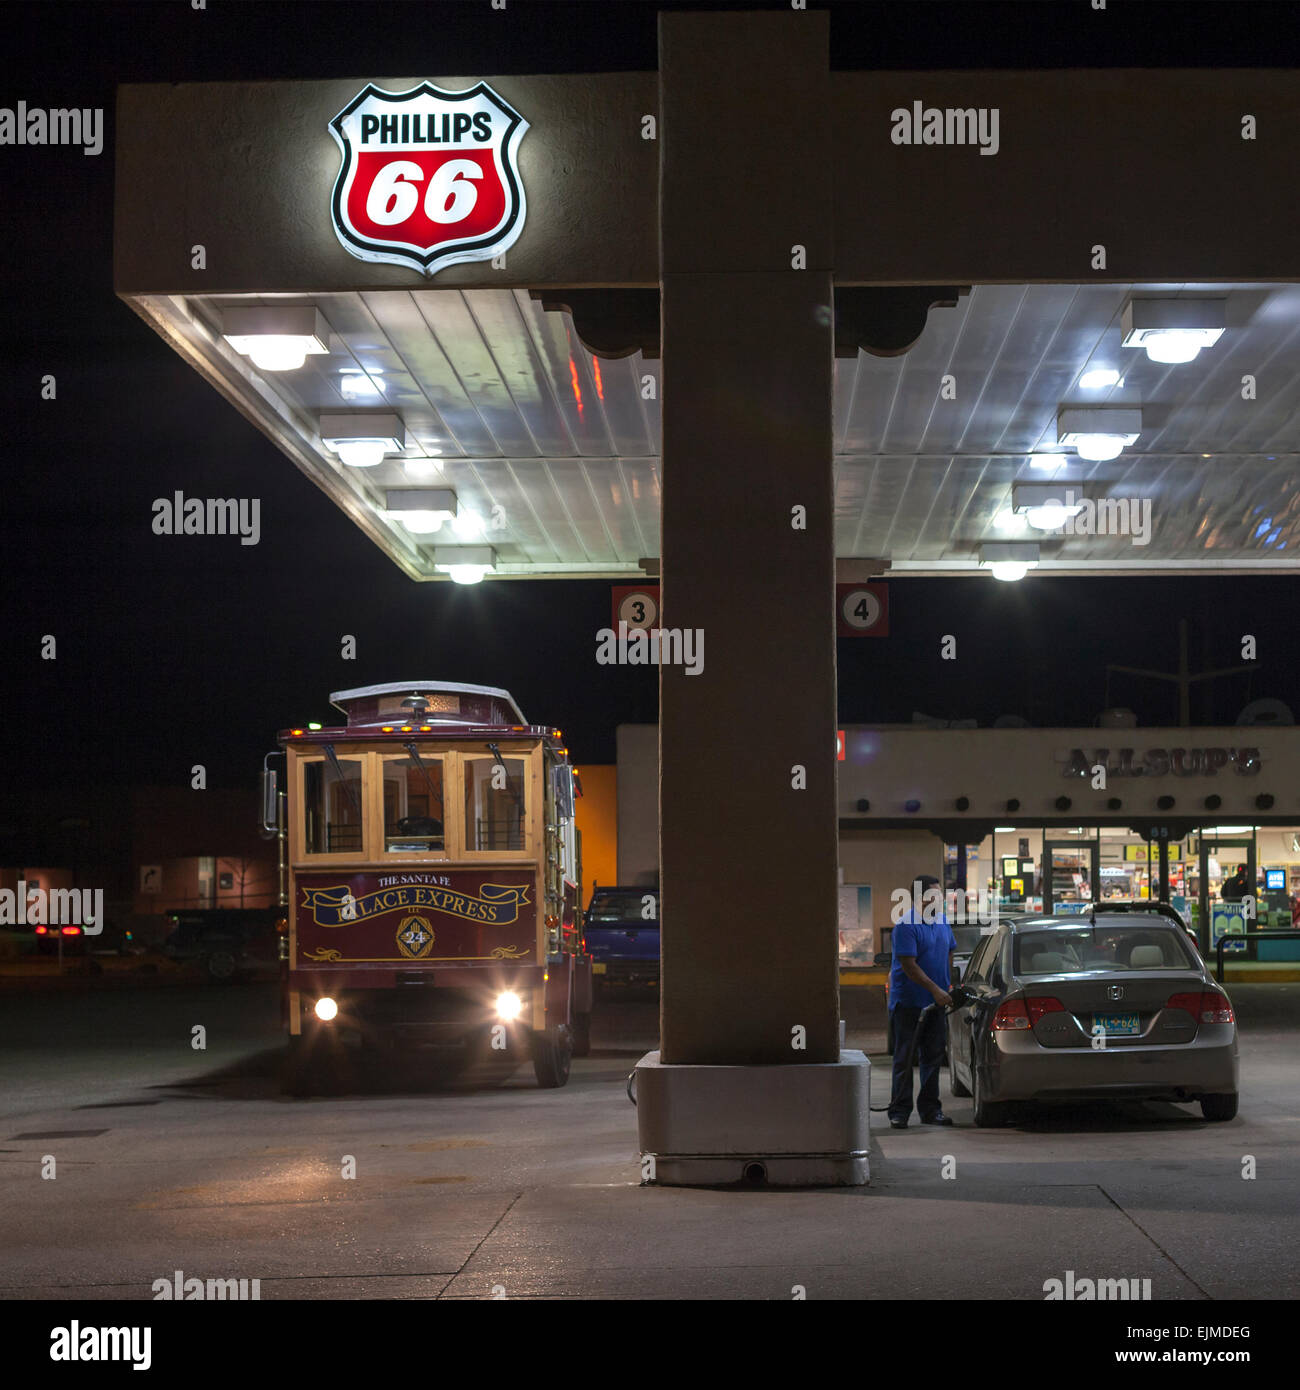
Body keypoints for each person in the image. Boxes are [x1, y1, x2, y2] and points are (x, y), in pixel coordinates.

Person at [887, 874, 958, 1129]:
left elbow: (950, 949)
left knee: (933, 1057)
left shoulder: (941, 921)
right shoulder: (906, 925)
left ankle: (930, 1111)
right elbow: (909, 966)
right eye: (933, 895)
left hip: (936, 1003)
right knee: (905, 1058)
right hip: (909, 1003)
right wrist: (936, 989)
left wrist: (946, 983)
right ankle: (900, 1112)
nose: (938, 899)